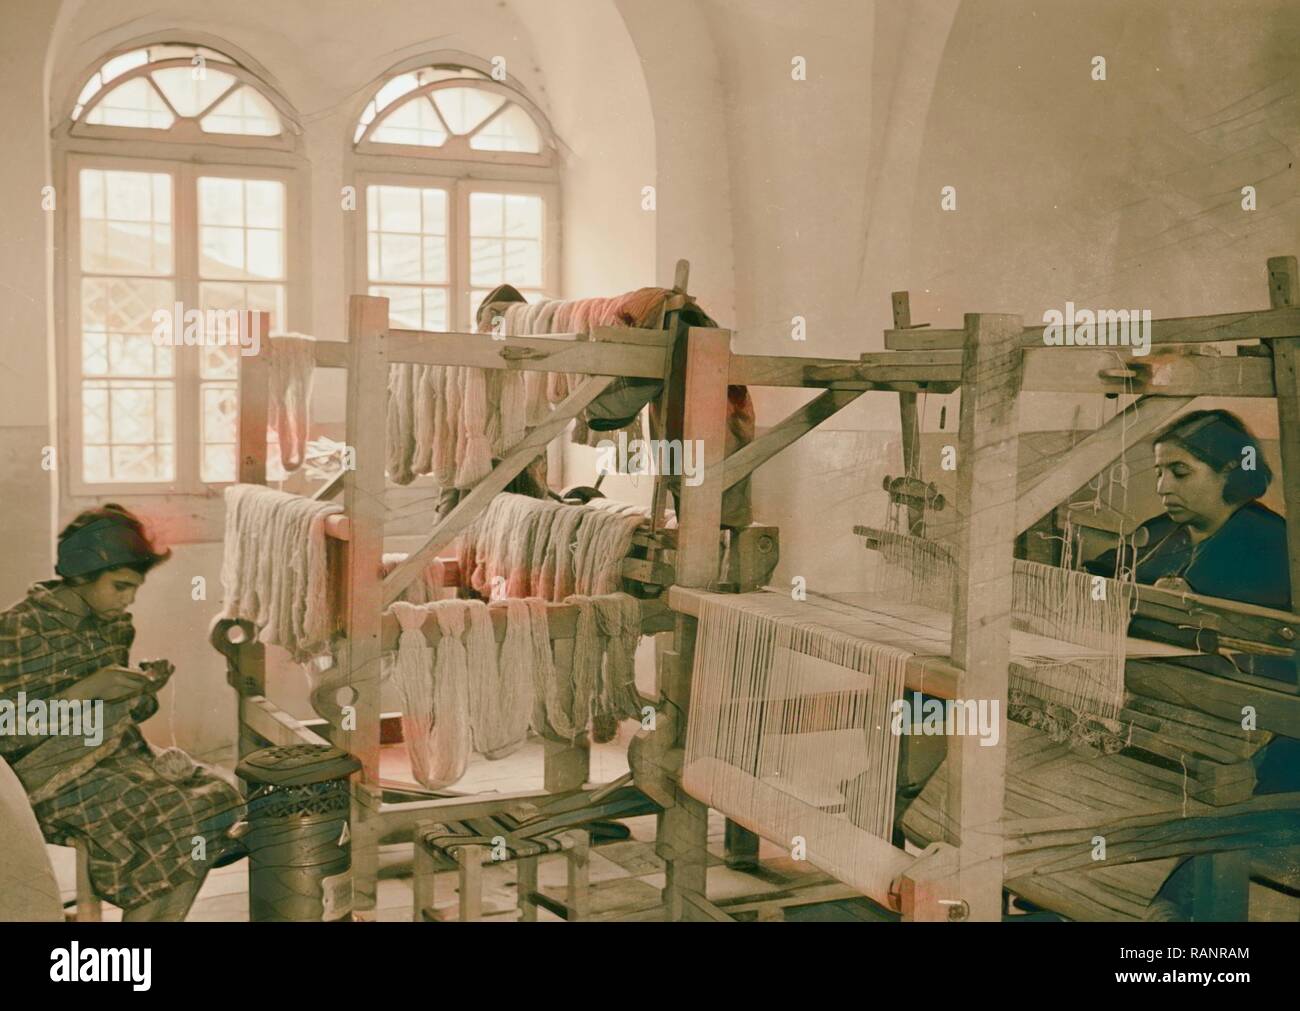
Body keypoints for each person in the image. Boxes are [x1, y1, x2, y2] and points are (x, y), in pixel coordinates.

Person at [1087, 409, 1298, 917]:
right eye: (1159, 471)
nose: (1162, 486)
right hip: (1161, 705)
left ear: (1231, 473)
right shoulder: (1162, 532)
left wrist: (1191, 613)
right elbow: (1089, 581)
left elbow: (1271, 643)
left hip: (1252, 730)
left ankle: (1171, 905)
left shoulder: (1271, 543)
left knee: (1227, 800)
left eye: (1180, 472)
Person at [0, 505, 245, 921]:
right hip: (43, 778)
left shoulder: (114, 625)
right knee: (177, 813)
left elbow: (117, 718)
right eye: (119, 586)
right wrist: (88, 689)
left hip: (115, 759)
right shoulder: (19, 629)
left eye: (134, 587)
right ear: (80, 576)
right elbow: (8, 730)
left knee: (219, 798)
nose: (128, 599)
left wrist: (143, 691)